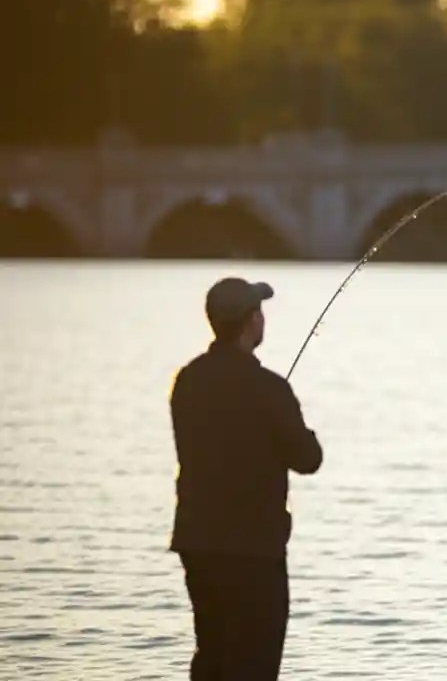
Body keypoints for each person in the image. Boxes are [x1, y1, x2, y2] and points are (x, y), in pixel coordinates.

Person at [168, 277, 323, 681]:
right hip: (254, 550)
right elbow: (308, 459)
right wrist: (302, 432)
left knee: (212, 655)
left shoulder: (187, 381)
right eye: (259, 311)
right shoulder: (270, 389)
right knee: (254, 662)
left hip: (198, 544)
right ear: (252, 321)